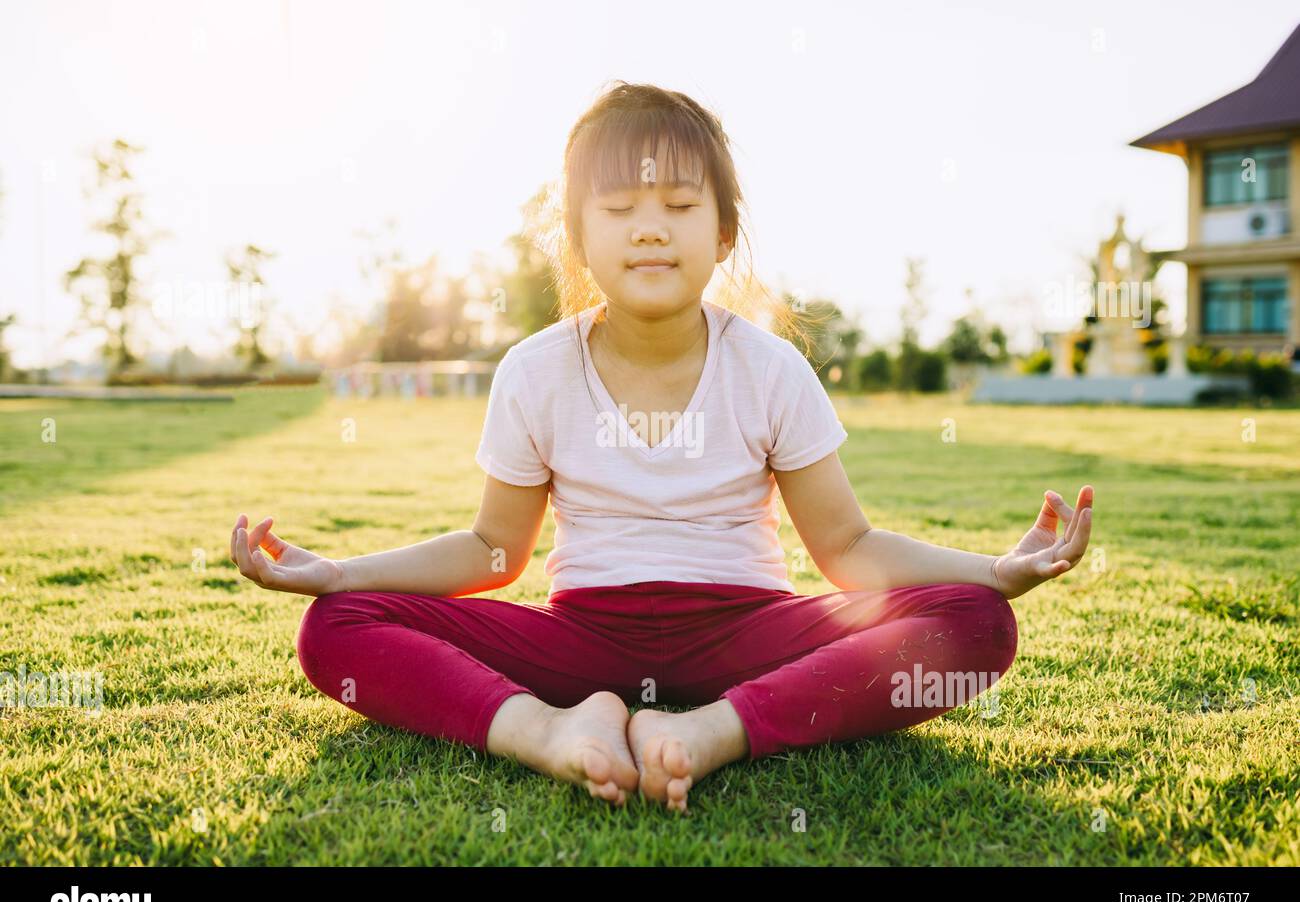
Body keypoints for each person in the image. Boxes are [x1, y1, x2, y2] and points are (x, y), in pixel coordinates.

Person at [230, 82, 1094, 814]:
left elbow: (848, 550)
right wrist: (340, 574)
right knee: (334, 629)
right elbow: (495, 550)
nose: (650, 229)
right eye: (619, 208)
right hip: (582, 644)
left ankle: (712, 731)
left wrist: (993, 572)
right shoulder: (533, 371)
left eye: (680, 207)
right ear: (578, 236)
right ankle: (552, 730)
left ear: (722, 235)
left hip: (749, 632)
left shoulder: (770, 368)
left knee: (976, 625)